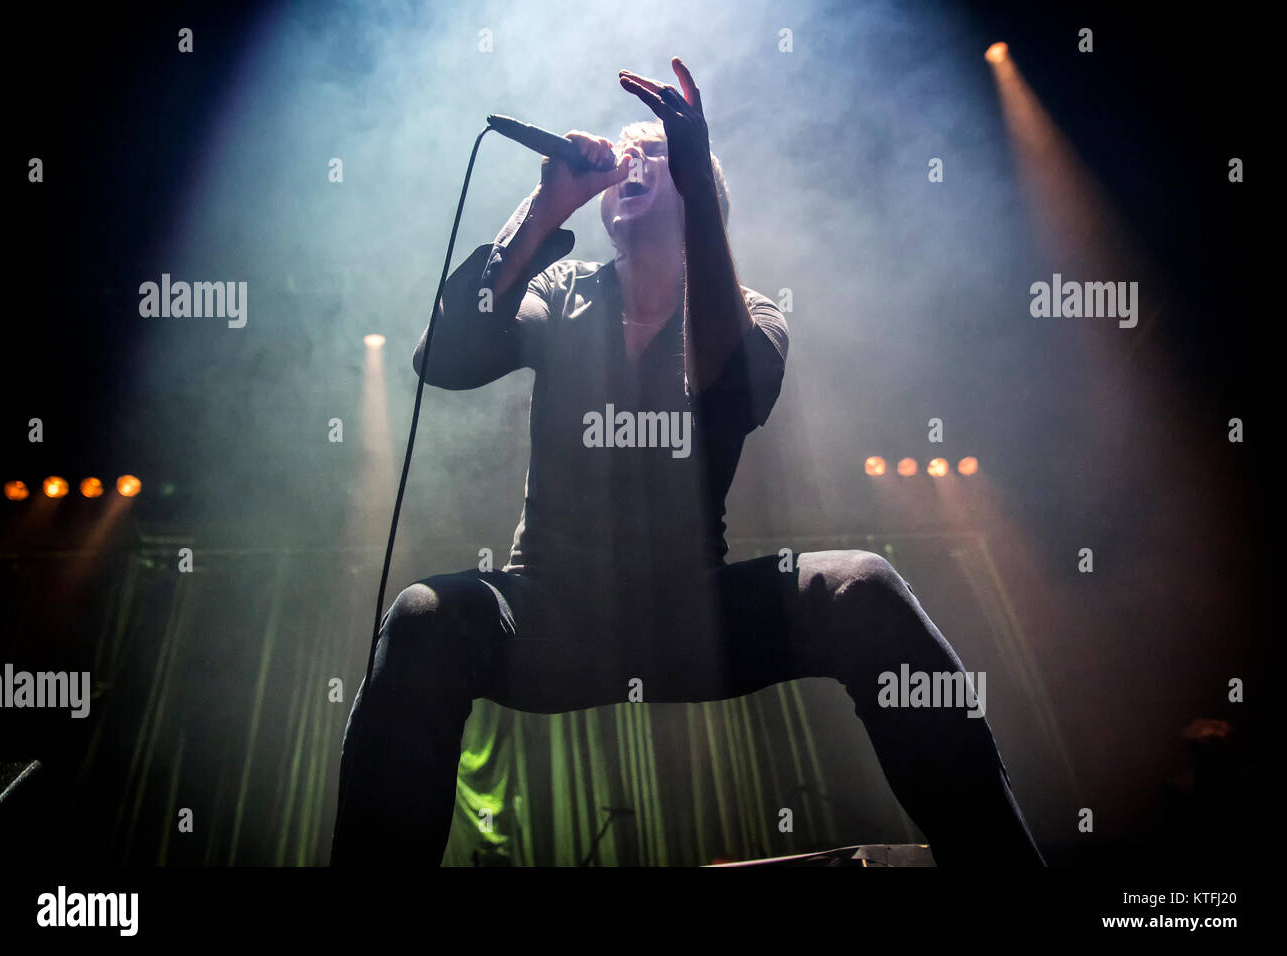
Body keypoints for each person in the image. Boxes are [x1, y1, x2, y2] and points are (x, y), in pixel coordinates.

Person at [331, 58, 1044, 866]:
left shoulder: (754, 313)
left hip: (694, 613)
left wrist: (696, 174)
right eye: (625, 158)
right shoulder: (563, 289)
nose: (633, 164)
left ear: (702, 193)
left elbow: (724, 388)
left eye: (659, 156)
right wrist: (542, 207)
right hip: (555, 614)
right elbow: (445, 357)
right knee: (425, 618)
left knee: (862, 588)